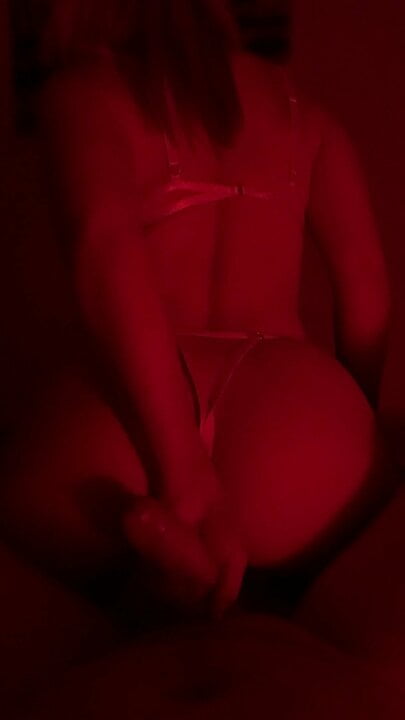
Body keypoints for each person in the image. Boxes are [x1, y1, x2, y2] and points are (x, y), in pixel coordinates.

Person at [0, 0, 395, 621]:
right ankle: (193, 581)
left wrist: (183, 471)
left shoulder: (78, 94)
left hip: (123, 433)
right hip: (287, 412)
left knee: (26, 564)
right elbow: (365, 283)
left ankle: (165, 577)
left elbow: (104, 250)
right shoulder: (303, 112)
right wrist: (348, 420)